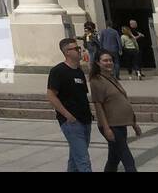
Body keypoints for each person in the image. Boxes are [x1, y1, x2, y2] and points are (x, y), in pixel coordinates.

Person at [46, 37, 93, 172]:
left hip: (85, 120)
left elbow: (82, 95)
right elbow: (51, 95)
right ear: (67, 52)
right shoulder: (58, 71)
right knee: (83, 160)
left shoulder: (79, 71)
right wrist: (67, 115)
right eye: (76, 48)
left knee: (75, 158)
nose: (79, 51)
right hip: (71, 122)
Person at [90, 50, 140, 172]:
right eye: (105, 60)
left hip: (121, 124)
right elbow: (99, 106)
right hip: (111, 125)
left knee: (114, 158)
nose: (109, 63)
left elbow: (123, 100)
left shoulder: (111, 77)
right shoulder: (96, 81)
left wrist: (134, 123)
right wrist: (106, 129)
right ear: (97, 62)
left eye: (110, 60)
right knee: (127, 159)